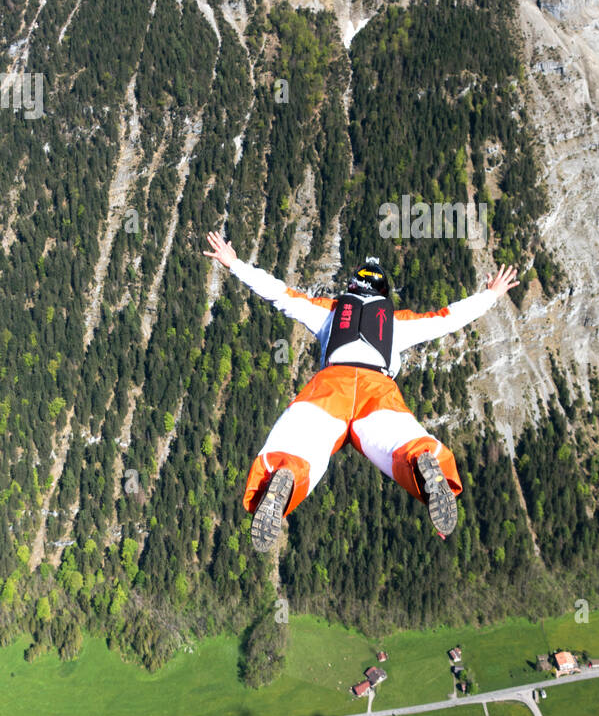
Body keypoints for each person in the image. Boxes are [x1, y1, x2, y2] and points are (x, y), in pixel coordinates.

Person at [203, 231, 519, 551]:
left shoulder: (329, 311)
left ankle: (286, 470)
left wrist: (235, 264)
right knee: (399, 443)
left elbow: (279, 294)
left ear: (352, 288)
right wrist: (490, 295)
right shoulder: (396, 322)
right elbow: (447, 318)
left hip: (330, 386)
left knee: (300, 446)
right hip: (377, 391)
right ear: (383, 293)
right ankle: (422, 459)